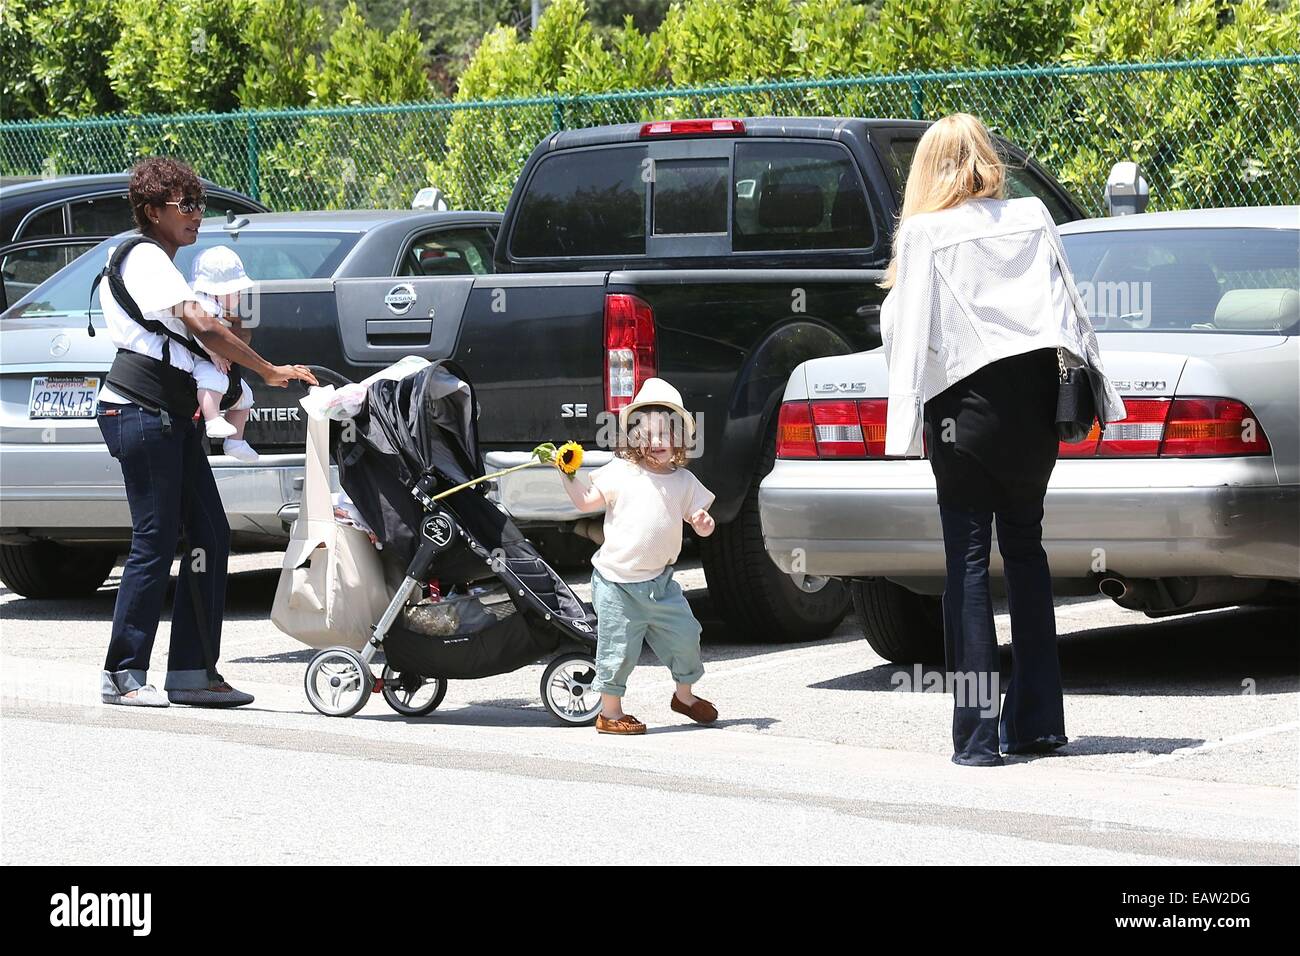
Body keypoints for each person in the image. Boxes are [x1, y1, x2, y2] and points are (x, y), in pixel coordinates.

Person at [879, 113, 1125, 766]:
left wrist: (903, 427)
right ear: (987, 159)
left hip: (963, 410)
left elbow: (906, 332)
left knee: (965, 567)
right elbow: (1070, 308)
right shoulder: (1031, 218)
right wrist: (1106, 395)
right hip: (1033, 411)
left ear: (931, 169)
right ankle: (1039, 724)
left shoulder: (927, 232)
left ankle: (978, 737)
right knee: (1027, 556)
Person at [96, 156, 317, 707]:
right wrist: (267, 371)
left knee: (210, 533)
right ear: (152, 212)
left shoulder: (163, 262)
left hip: (167, 413)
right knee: (155, 537)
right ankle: (123, 673)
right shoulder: (145, 256)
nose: (196, 215)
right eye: (184, 206)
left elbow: (205, 330)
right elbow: (199, 323)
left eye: (200, 204)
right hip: (140, 408)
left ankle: (193, 672)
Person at [556, 378, 718, 735]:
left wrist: (704, 523)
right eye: (647, 434)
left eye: (666, 434)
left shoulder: (684, 481)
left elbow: (701, 524)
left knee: (686, 636)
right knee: (618, 648)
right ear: (632, 438)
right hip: (616, 583)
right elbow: (585, 502)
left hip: (660, 583)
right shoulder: (621, 472)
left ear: (680, 439)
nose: (657, 442)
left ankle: (684, 696)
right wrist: (569, 475)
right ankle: (610, 713)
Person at [190, 245, 259, 462]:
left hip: (224, 365)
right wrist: (215, 354)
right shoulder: (203, 305)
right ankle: (211, 419)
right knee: (210, 382)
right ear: (215, 291)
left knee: (245, 397)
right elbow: (203, 335)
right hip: (204, 360)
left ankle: (235, 441)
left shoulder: (221, 309)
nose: (240, 296)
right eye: (235, 291)